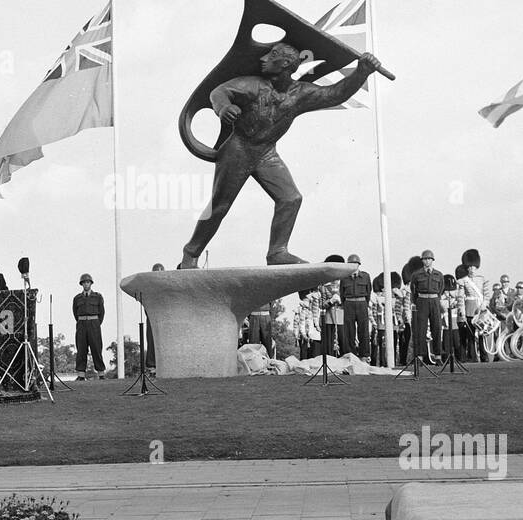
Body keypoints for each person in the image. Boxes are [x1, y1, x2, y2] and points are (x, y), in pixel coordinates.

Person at [177, 41, 383, 268]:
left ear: (285, 64)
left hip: (265, 153)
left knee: (290, 198)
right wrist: (223, 108)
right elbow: (219, 92)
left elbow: (334, 94)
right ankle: (190, 254)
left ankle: (277, 252)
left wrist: (361, 72)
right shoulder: (254, 85)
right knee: (220, 207)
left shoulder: (300, 93)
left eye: (271, 55)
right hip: (238, 149)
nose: (263, 59)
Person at [408, 250, 445, 364]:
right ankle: (420, 357)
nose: (427, 261)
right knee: (420, 330)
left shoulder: (438, 274)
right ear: (422, 260)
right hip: (421, 301)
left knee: (436, 328)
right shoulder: (416, 274)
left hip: (434, 301)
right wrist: (416, 302)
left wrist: (435, 299)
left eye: (429, 259)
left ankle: (438, 356)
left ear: (432, 260)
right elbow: (413, 290)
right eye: (425, 259)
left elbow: (441, 289)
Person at [73, 273, 107, 379]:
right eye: (84, 282)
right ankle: (81, 375)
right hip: (81, 324)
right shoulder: (77, 298)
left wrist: (96, 323)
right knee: (81, 349)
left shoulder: (97, 297)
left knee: (96, 348)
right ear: (81, 284)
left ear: (91, 283)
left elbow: (102, 312)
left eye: (88, 282)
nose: (86, 284)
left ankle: (101, 373)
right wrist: (82, 322)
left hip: (94, 324)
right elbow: (75, 313)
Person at [340, 254, 373, 360]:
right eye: (351, 264)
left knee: (363, 330)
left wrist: (365, 304)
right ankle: (351, 355)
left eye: (355, 263)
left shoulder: (366, 276)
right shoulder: (344, 278)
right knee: (349, 331)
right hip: (349, 304)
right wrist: (345, 305)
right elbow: (342, 294)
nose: (353, 265)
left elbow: (368, 292)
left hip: (362, 303)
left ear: (359, 265)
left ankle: (364, 356)